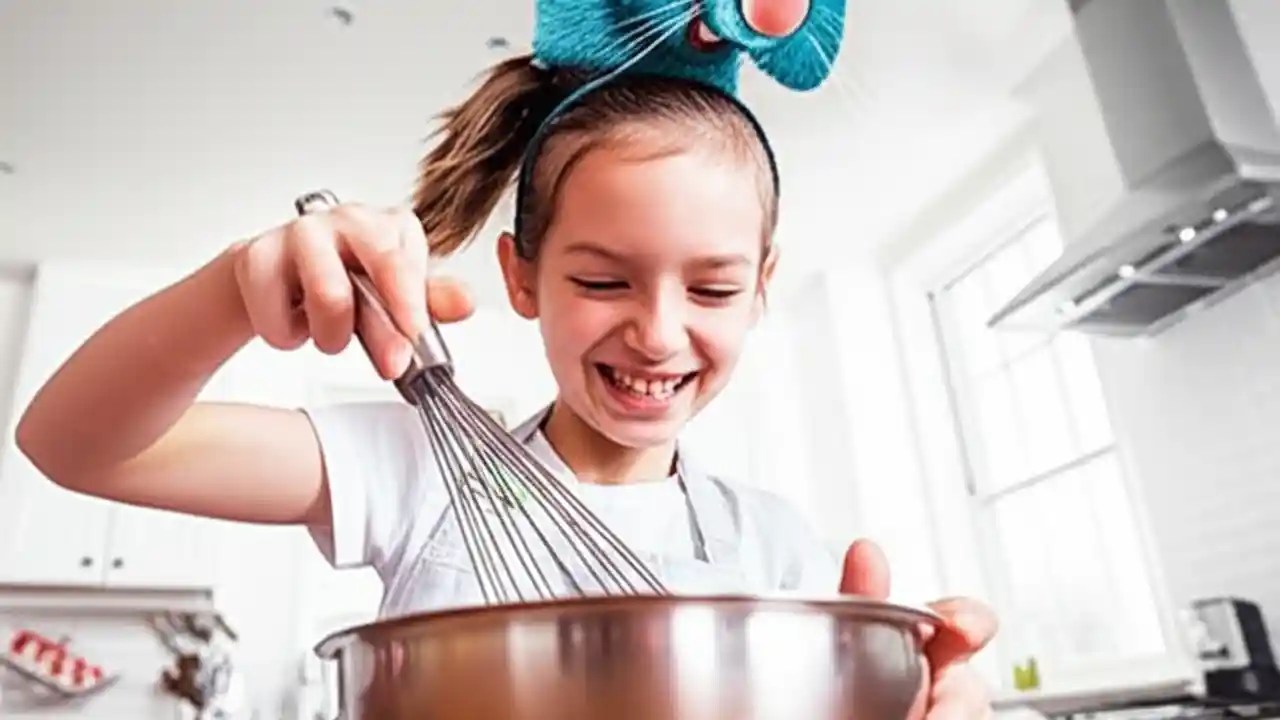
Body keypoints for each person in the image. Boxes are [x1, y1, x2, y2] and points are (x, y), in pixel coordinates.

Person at [15, 54, 995, 717]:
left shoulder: (775, 551)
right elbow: (75, 446)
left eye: (711, 288)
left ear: (762, 287)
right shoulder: (418, 469)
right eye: (601, 281)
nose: (657, 332)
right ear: (522, 277)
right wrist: (232, 289)